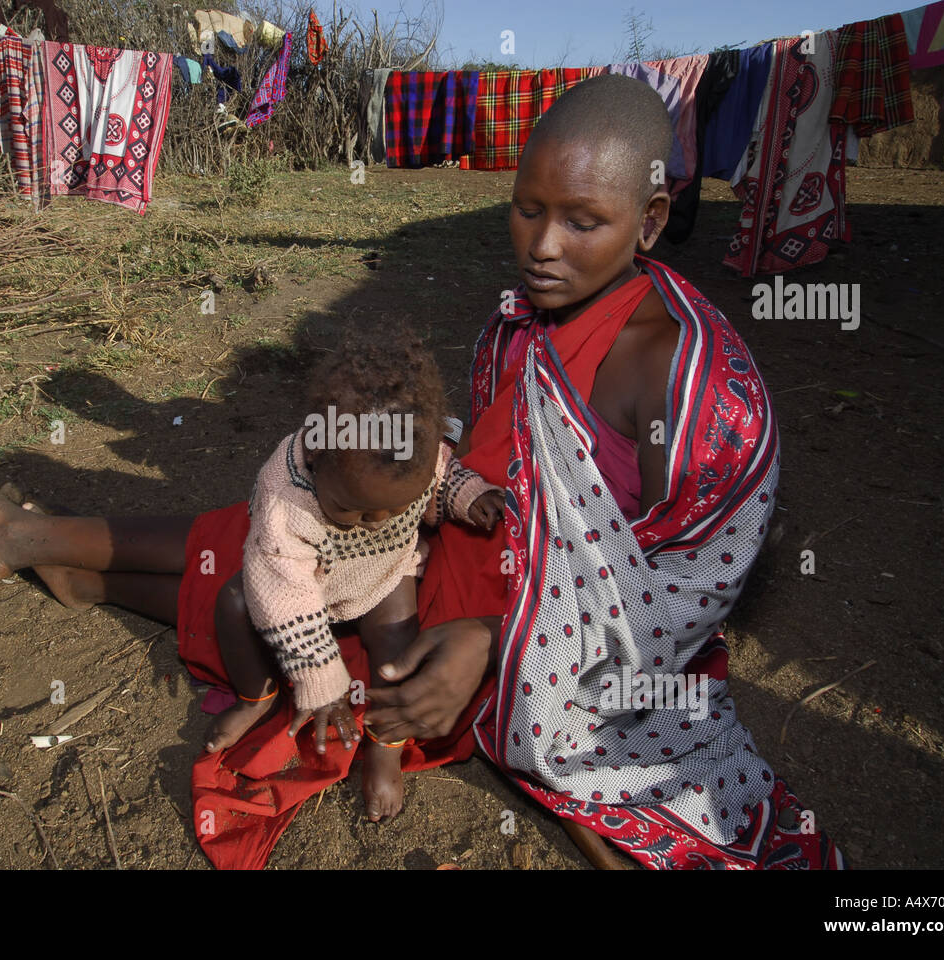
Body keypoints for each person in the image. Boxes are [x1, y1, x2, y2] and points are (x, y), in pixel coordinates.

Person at [356, 73, 845, 869]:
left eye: (584, 221)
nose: (543, 247)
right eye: (526, 209)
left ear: (651, 221)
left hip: (591, 652)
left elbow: (680, 595)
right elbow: (499, 461)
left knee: (327, 651)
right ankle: (77, 551)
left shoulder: (696, 386)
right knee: (296, 559)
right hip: (478, 559)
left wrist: (493, 639)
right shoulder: (522, 321)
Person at [0, 333, 503, 825]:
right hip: (299, 588)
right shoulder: (287, 497)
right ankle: (254, 694)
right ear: (316, 457)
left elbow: (439, 474)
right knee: (234, 601)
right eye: (350, 508)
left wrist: (464, 496)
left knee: (396, 654)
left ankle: (385, 753)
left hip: (383, 577)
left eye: (389, 510)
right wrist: (323, 682)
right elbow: (284, 598)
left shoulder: (405, 452)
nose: (370, 521)